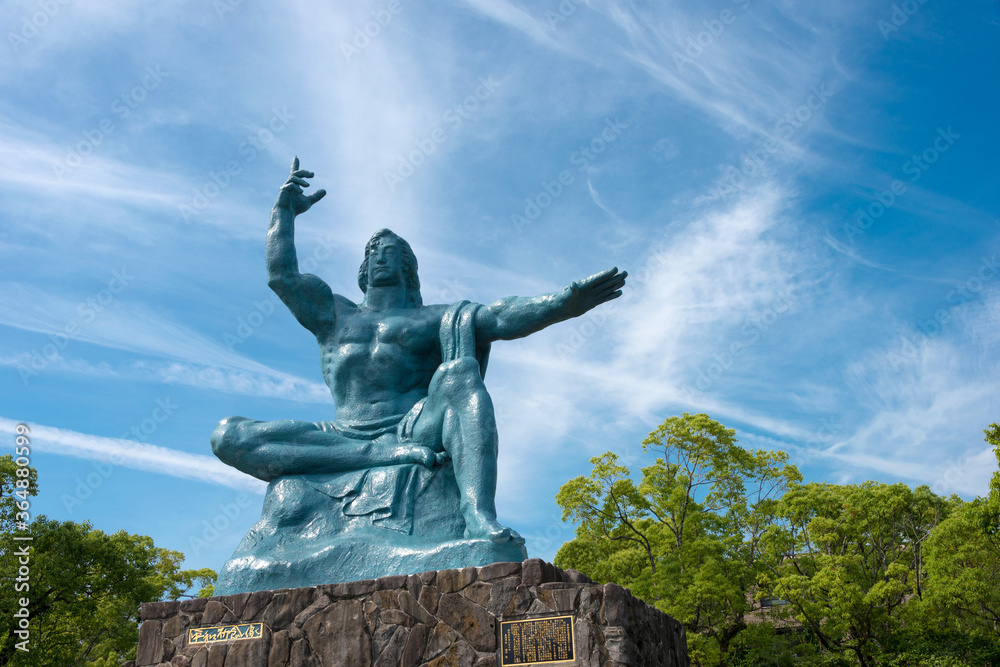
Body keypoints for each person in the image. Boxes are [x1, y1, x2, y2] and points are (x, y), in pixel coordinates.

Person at [212, 158, 627, 543]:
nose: (379, 258)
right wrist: (282, 213)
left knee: (460, 375)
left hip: (411, 426)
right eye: (373, 253)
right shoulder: (333, 314)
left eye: (390, 254)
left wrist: (562, 303)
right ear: (362, 267)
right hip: (341, 433)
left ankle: (476, 513)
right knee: (229, 434)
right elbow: (282, 276)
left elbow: (500, 316)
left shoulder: (435, 318)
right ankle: (373, 455)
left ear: (408, 268)